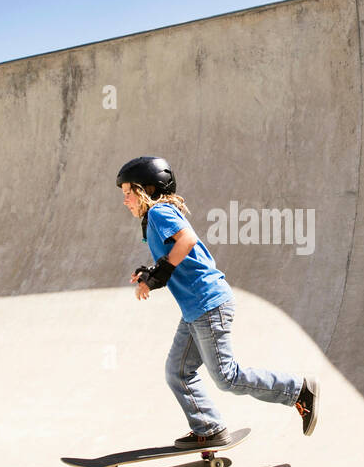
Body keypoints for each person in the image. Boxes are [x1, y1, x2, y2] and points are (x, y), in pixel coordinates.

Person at [117, 156, 318, 446]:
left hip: (207, 304)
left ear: (146, 191)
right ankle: (208, 427)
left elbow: (187, 240)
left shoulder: (160, 212)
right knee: (177, 371)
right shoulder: (157, 218)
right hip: (195, 309)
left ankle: (297, 391)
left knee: (227, 377)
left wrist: (160, 271)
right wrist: (150, 273)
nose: (125, 201)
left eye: (128, 193)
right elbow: (178, 258)